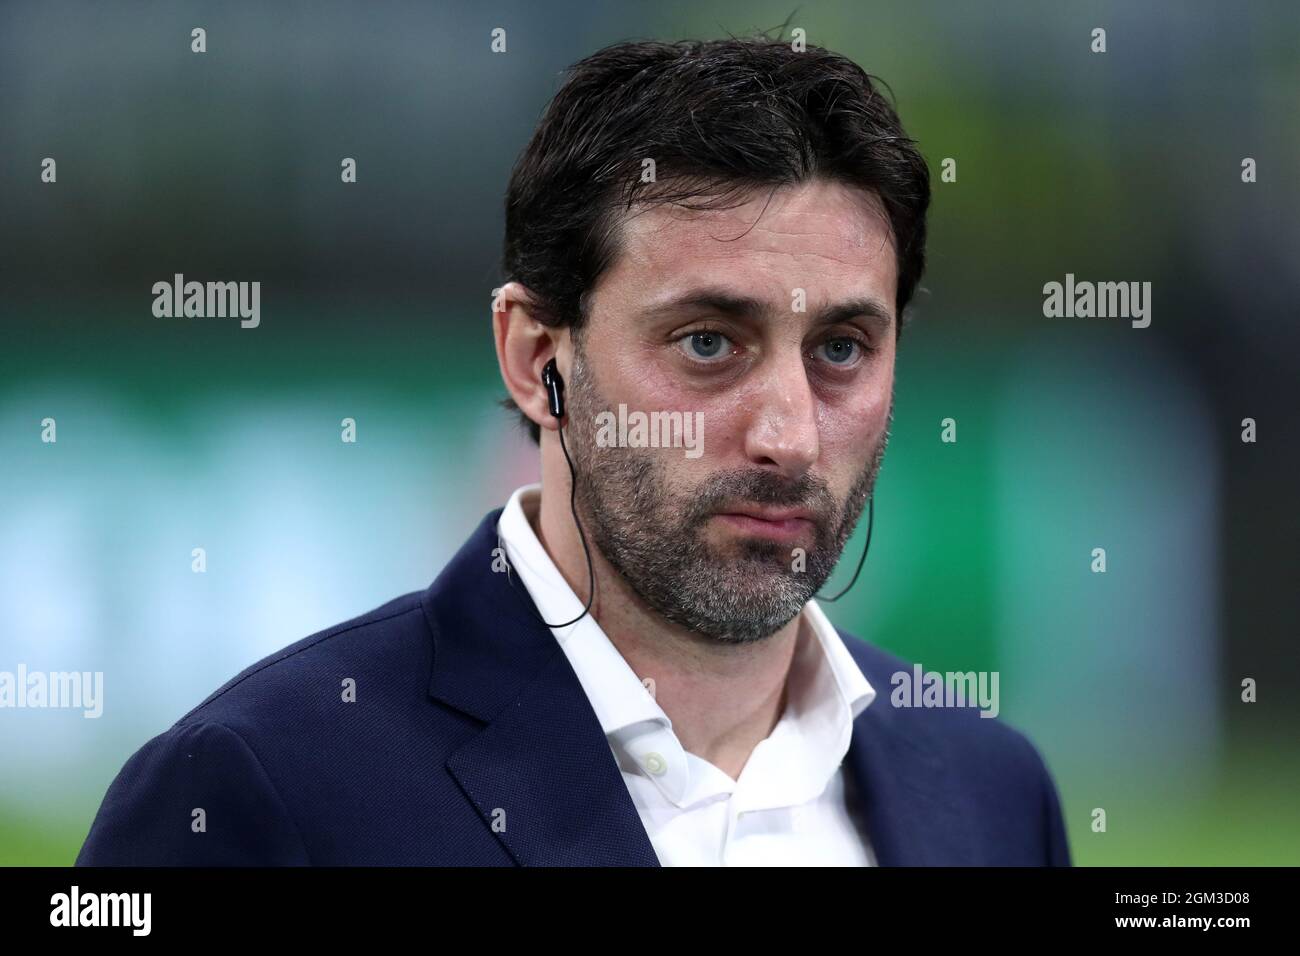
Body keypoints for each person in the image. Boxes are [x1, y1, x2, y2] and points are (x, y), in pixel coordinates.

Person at [77, 36, 1070, 866]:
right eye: (708, 342)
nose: (788, 433)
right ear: (535, 358)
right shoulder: (261, 789)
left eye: (841, 350)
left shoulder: (990, 792)